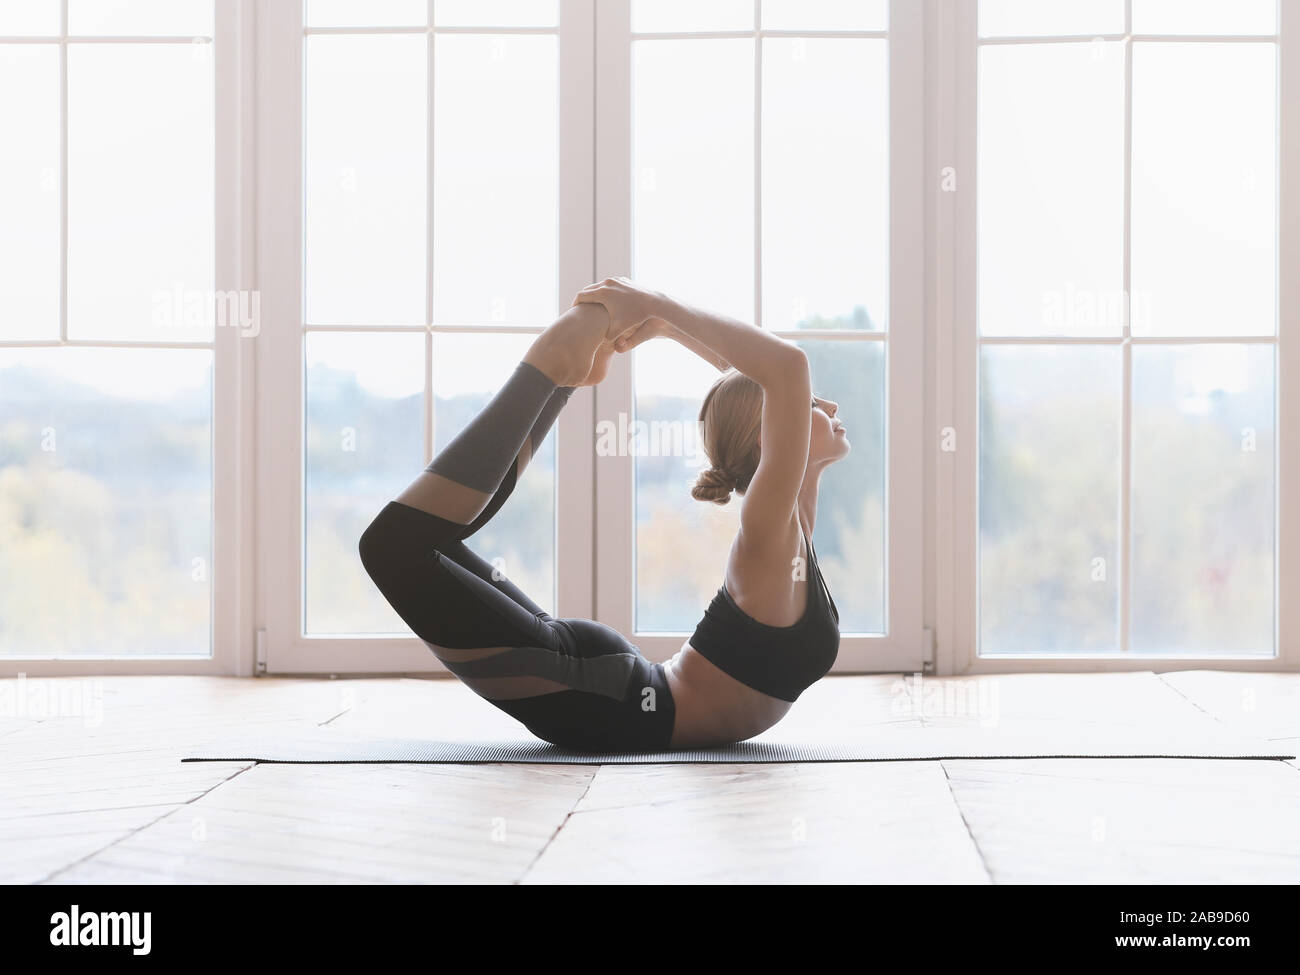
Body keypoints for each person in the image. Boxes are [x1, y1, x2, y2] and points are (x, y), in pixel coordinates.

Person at [358, 277, 849, 751]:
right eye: (807, 404)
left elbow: (770, 375)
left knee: (417, 546)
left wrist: (661, 322)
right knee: (395, 548)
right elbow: (786, 367)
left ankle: (560, 380)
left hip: (611, 690)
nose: (827, 405)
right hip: (610, 701)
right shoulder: (768, 527)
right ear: (770, 437)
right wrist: (659, 308)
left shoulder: (792, 523)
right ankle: (549, 374)